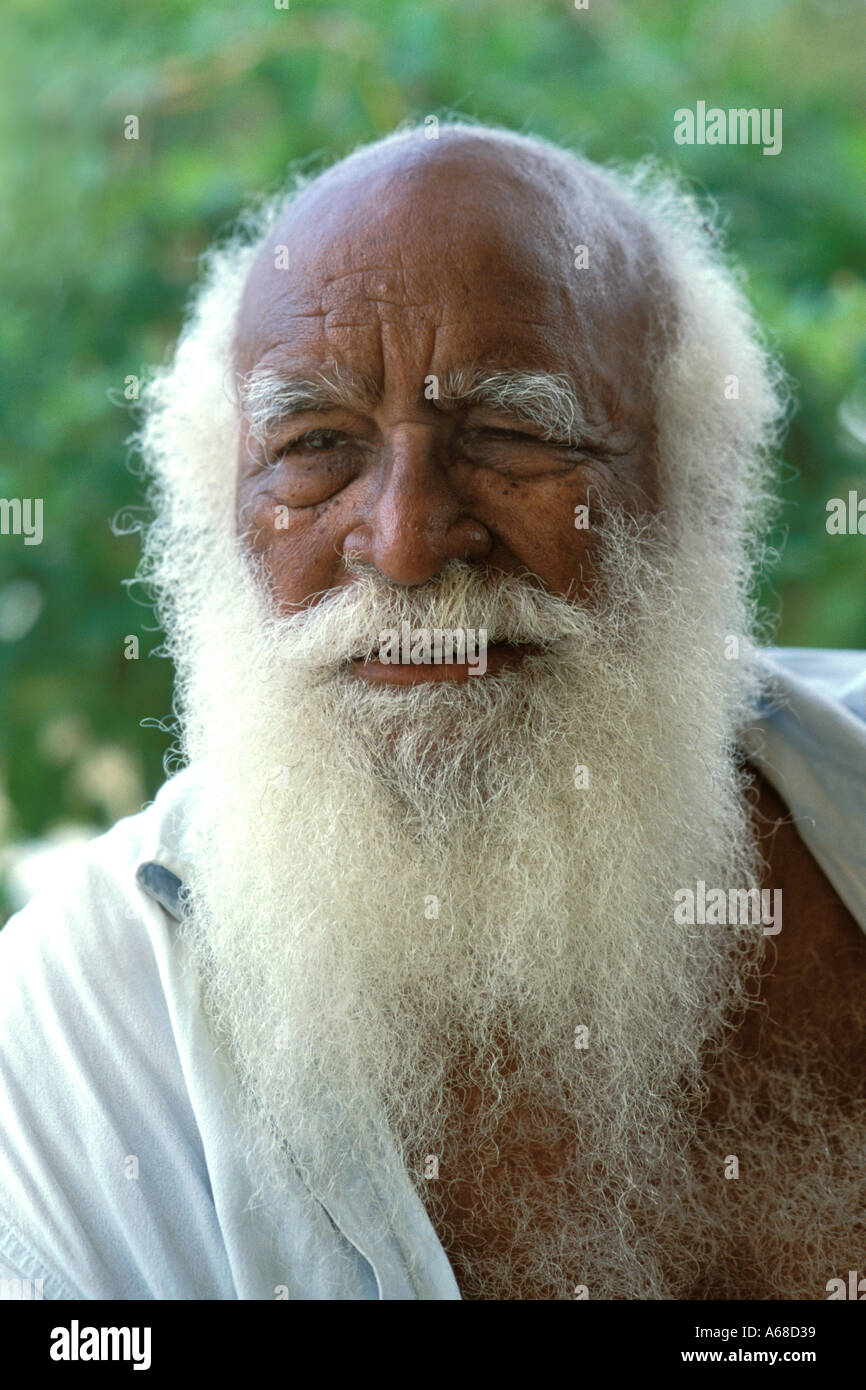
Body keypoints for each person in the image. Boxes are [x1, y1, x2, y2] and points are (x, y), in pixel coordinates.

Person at [1, 122, 864, 1301]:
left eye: (513, 435)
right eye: (313, 448)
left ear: (690, 483)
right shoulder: (70, 1036)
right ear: (228, 499)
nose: (406, 545)